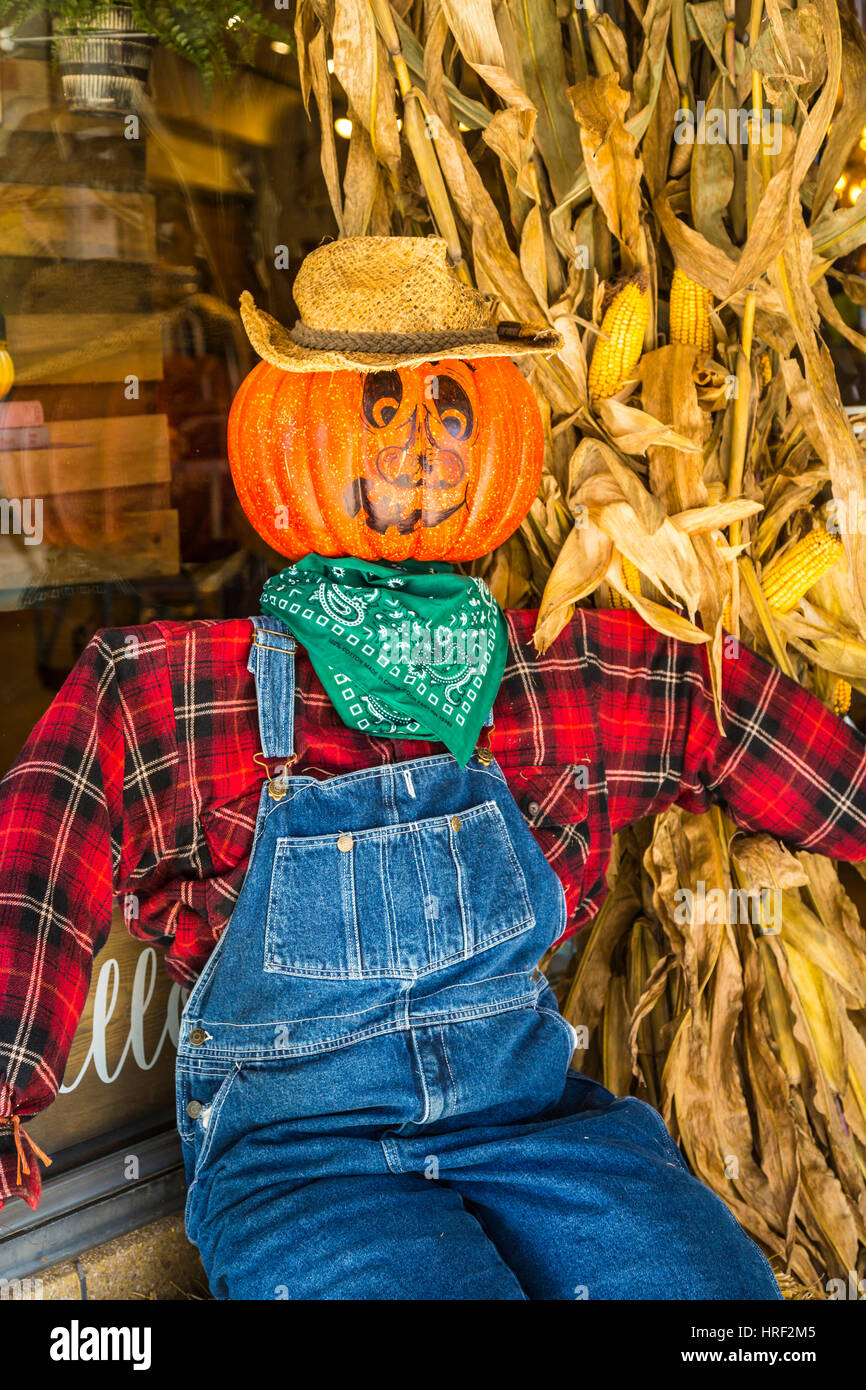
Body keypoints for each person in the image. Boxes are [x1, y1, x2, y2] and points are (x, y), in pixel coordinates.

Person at [2, 239, 865, 1300]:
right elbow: (42, 852)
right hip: (300, 1165)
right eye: (380, 412)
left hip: (528, 1125)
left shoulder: (555, 672)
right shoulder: (177, 689)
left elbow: (723, 715)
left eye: (450, 415)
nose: (418, 451)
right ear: (293, 430)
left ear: (498, 434)